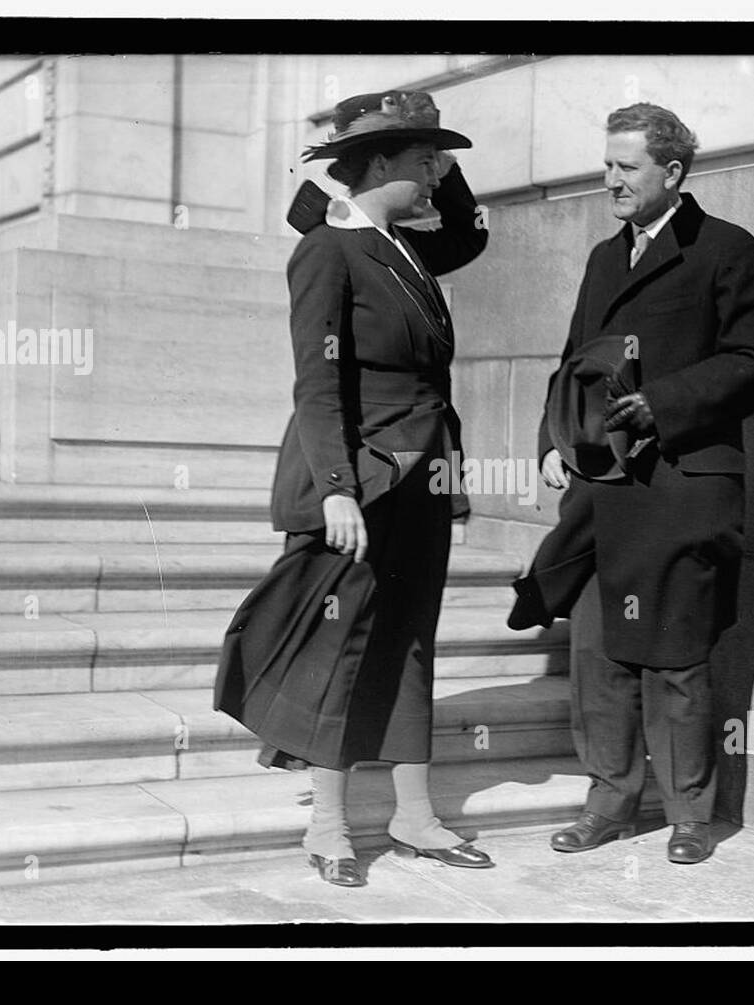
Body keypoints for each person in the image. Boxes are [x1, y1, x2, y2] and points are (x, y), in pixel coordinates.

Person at [214, 91, 492, 888]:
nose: (435, 177)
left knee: (410, 641)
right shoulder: (328, 252)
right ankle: (328, 822)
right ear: (375, 165)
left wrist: (430, 134)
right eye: (420, 162)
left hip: (421, 478)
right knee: (341, 647)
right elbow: (317, 383)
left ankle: (414, 814)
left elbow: (463, 232)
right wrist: (336, 488)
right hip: (360, 482)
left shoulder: (406, 250)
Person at [529, 102, 754, 865]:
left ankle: (689, 816)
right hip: (602, 487)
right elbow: (573, 356)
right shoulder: (605, 257)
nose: (608, 180)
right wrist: (549, 439)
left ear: (672, 172)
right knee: (599, 654)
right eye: (606, 165)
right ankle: (608, 804)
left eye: (625, 167)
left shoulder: (725, 249)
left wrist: (666, 403)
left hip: (683, 481)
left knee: (675, 656)